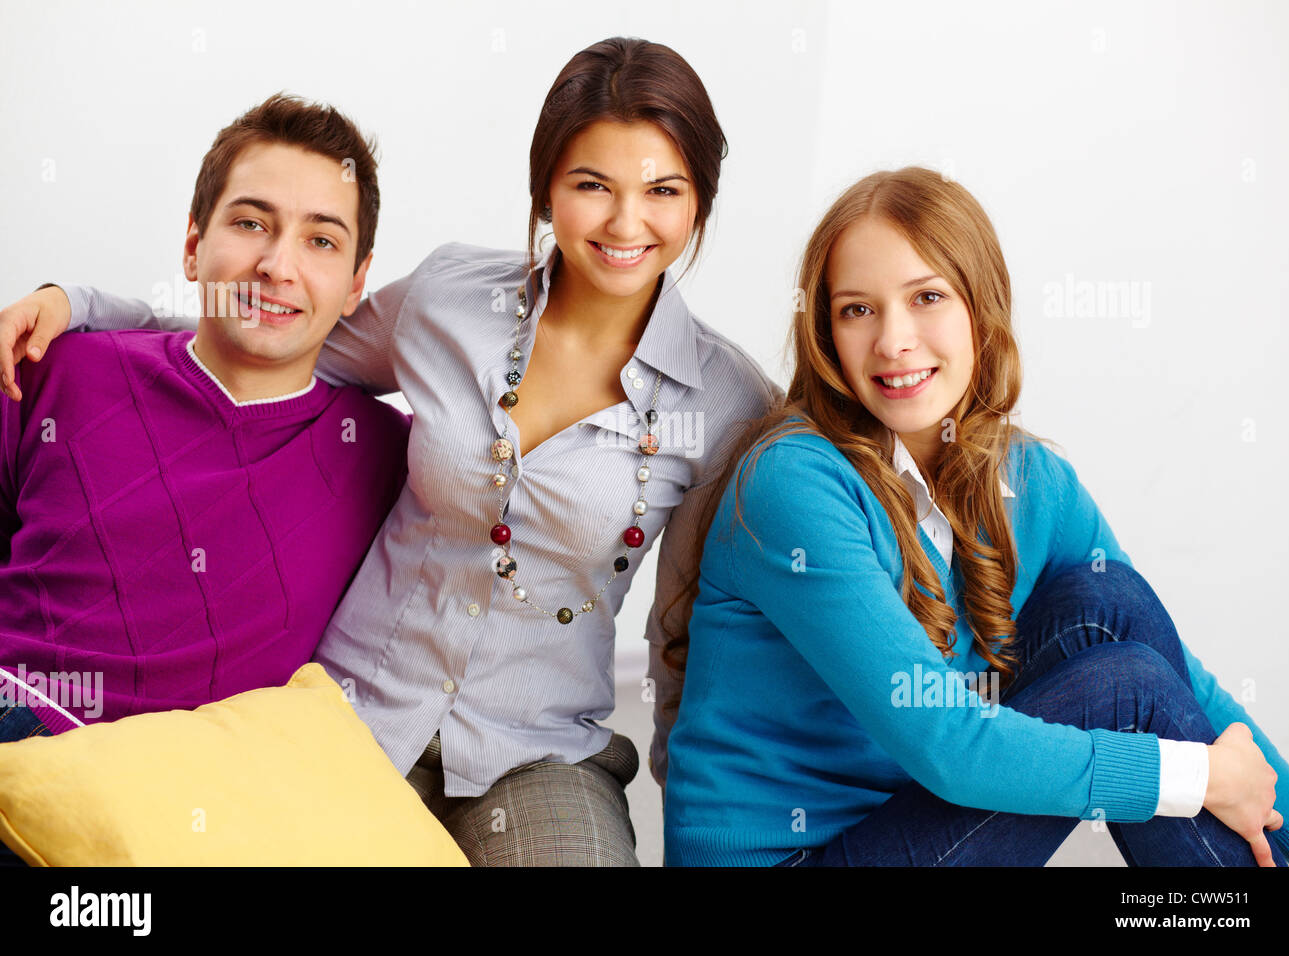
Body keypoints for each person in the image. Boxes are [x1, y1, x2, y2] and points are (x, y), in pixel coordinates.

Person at [0, 39, 781, 866]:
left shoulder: (725, 401)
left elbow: (686, 629)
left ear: (699, 201)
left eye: (664, 191)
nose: (627, 224)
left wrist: (698, 819)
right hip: (346, 713)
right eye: (593, 186)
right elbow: (277, 337)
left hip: (537, 746)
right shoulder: (452, 299)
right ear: (547, 189)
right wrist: (76, 305)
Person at [659, 167, 1289, 867]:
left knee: (1109, 602)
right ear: (825, 332)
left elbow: (1185, 680)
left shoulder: (1030, 479)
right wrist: (1197, 777)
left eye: (926, 297)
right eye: (857, 309)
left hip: (910, 827)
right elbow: (948, 744)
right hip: (795, 858)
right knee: (1130, 693)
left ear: (979, 307)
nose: (893, 341)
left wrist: (1266, 795)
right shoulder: (795, 483)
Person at [0, 95, 410, 870]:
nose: (278, 265)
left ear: (357, 286)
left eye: (321, 240)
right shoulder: (53, 370)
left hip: (171, 810)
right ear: (193, 247)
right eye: (251, 223)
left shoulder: (389, 457)